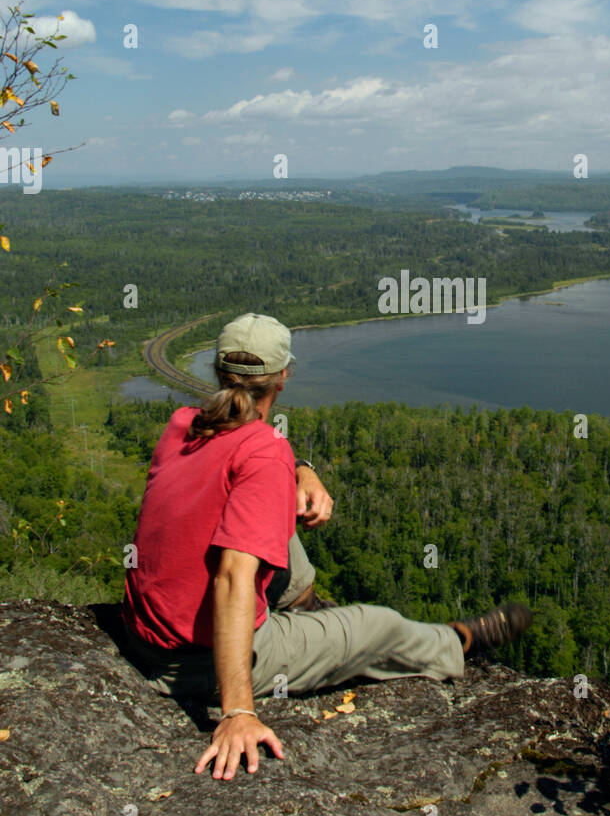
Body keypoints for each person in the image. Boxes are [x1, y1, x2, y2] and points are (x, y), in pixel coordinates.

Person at [122, 312, 532, 781]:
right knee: (377, 625)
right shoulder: (263, 452)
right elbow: (234, 575)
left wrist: (300, 471)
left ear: (218, 372)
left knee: (274, 523)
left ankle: (302, 606)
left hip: (146, 633)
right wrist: (238, 712)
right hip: (196, 661)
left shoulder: (184, 423)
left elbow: (247, 457)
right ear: (283, 377)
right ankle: (456, 641)